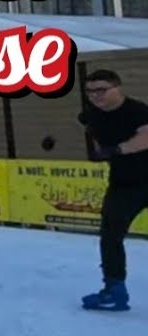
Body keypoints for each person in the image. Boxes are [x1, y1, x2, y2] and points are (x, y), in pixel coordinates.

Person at [78, 69, 148, 312]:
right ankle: (114, 289)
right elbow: (99, 142)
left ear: (117, 88)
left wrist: (117, 150)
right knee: (110, 235)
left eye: (101, 90)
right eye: (90, 91)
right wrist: (101, 153)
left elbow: (146, 137)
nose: (95, 95)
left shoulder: (137, 110)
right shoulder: (92, 116)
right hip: (124, 183)